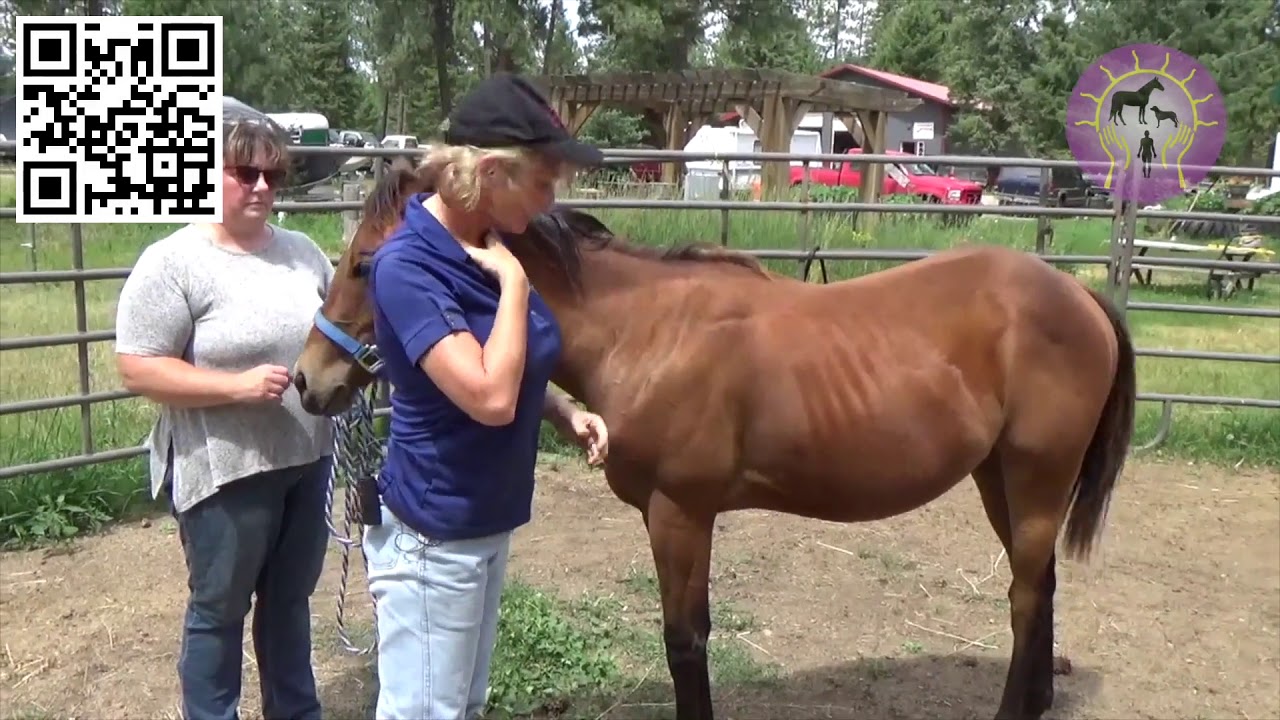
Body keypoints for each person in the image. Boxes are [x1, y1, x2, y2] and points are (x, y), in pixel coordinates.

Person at [362, 72, 611, 720]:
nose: (551, 201)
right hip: (434, 535)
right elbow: (491, 397)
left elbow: (510, 367)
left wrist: (561, 409)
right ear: (493, 172)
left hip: (484, 520)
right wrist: (517, 287)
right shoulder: (409, 266)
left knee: (460, 707)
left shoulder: (486, 245)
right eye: (544, 183)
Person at [113, 108, 337, 720]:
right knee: (219, 610)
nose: (262, 187)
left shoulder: (302, 253)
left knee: (290, 603)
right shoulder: (174, 262)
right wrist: (234, 387)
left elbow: (339, 325)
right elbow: (137, 367)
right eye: (245, 173)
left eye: (274, 175)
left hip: (306, 460)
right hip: (223, 471)